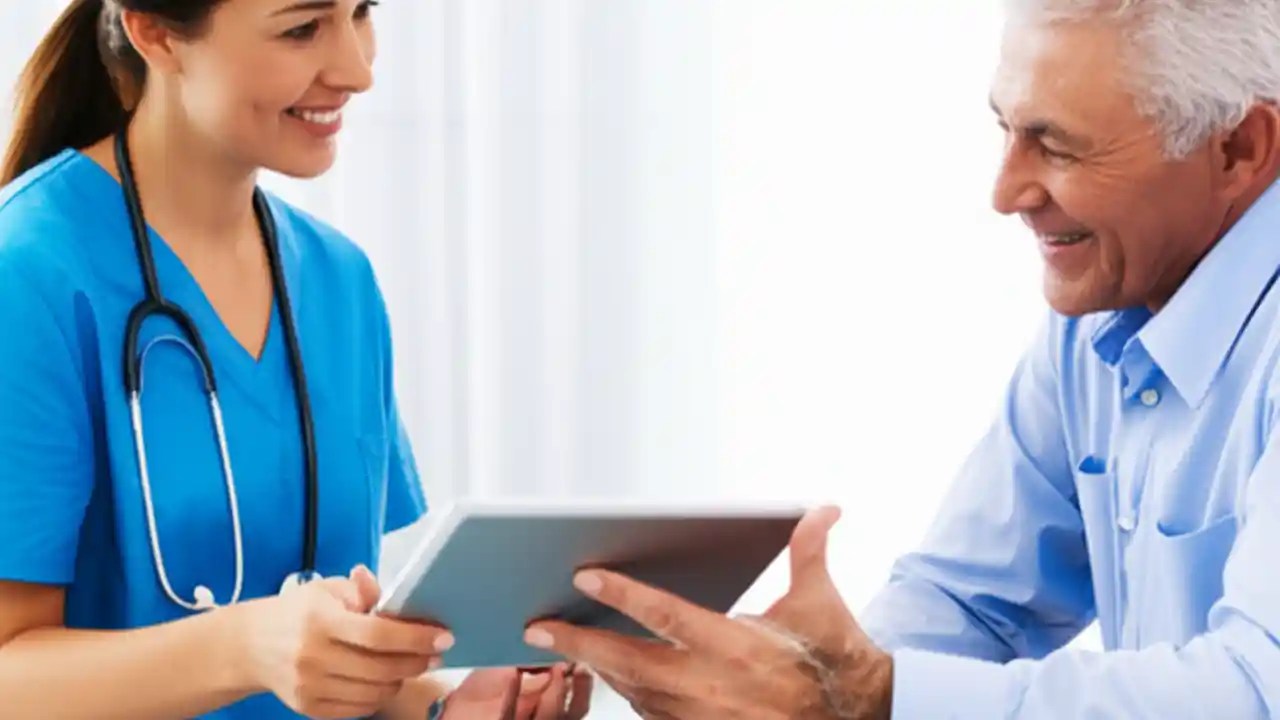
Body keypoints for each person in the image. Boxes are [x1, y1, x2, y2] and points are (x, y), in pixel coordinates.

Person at [522, 1, 1280, 717]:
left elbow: (1256, 693)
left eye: (1056, 146)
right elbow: (970, 601)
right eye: (1006, 130)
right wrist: (795, 675)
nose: (1006, 190)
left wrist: (868, 696)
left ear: (1237, 150)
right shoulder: (1104, 314)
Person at [0, 1, 591, 718]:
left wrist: (446, 707)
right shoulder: (28, 273)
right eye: (302, 28)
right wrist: (246, 648)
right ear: (154, 32)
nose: (357, 70)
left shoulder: (340, 281)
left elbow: (324, 654)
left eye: (362, 13)